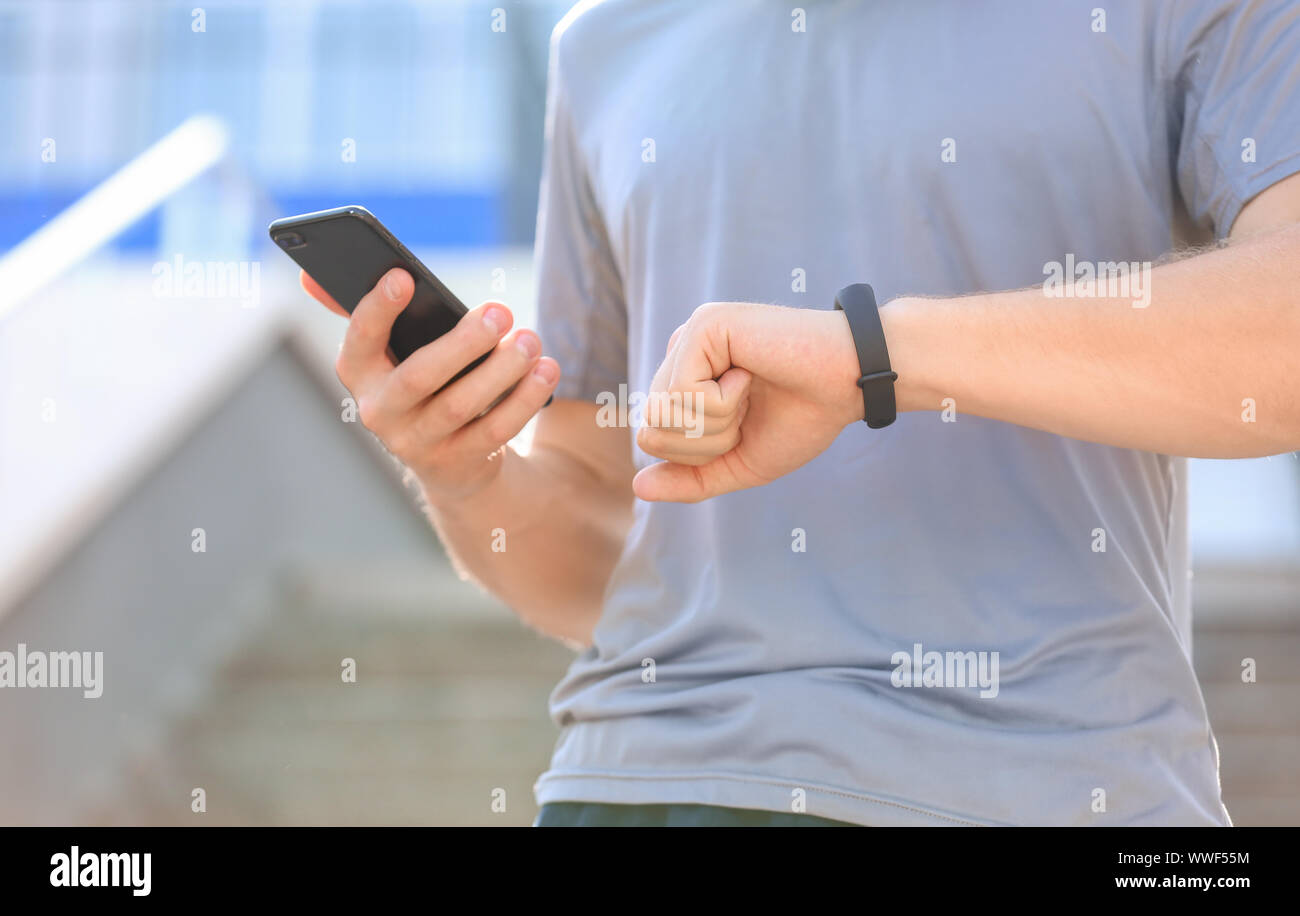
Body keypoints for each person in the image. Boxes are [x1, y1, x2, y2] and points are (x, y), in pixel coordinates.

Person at [301, 0, 1300, 826]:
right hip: (638, 782)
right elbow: (609, 549)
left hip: (1048, 789)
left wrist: (869, 355)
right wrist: (463, 468)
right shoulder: (601, 44)